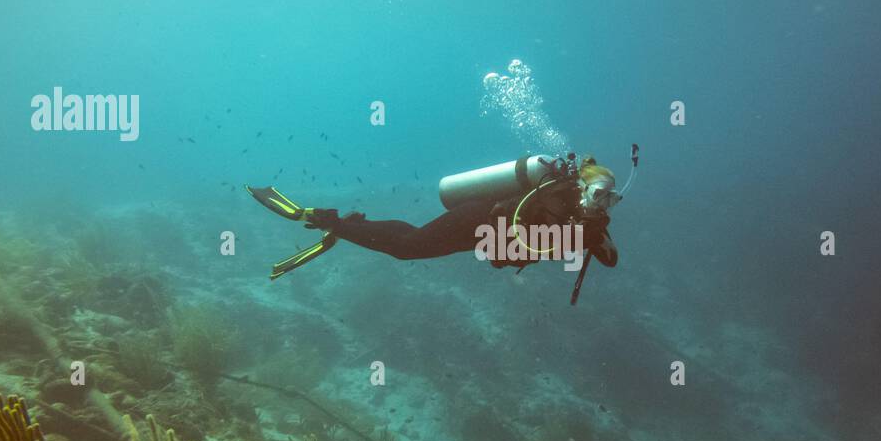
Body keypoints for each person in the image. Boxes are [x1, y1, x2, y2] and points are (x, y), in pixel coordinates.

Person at [247, 151, 632, 303]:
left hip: (483, 239)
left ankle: (350, 225)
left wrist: (595, 232)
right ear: (582, 187)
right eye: (599, 195)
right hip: (476, 219)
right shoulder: (554, 196)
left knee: (410, 241)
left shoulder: (587, 221)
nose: (603, 205)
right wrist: (563, 235)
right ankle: (323, 219)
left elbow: (610, 259)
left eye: (611, 200)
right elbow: (519, 224)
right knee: (406, 247)